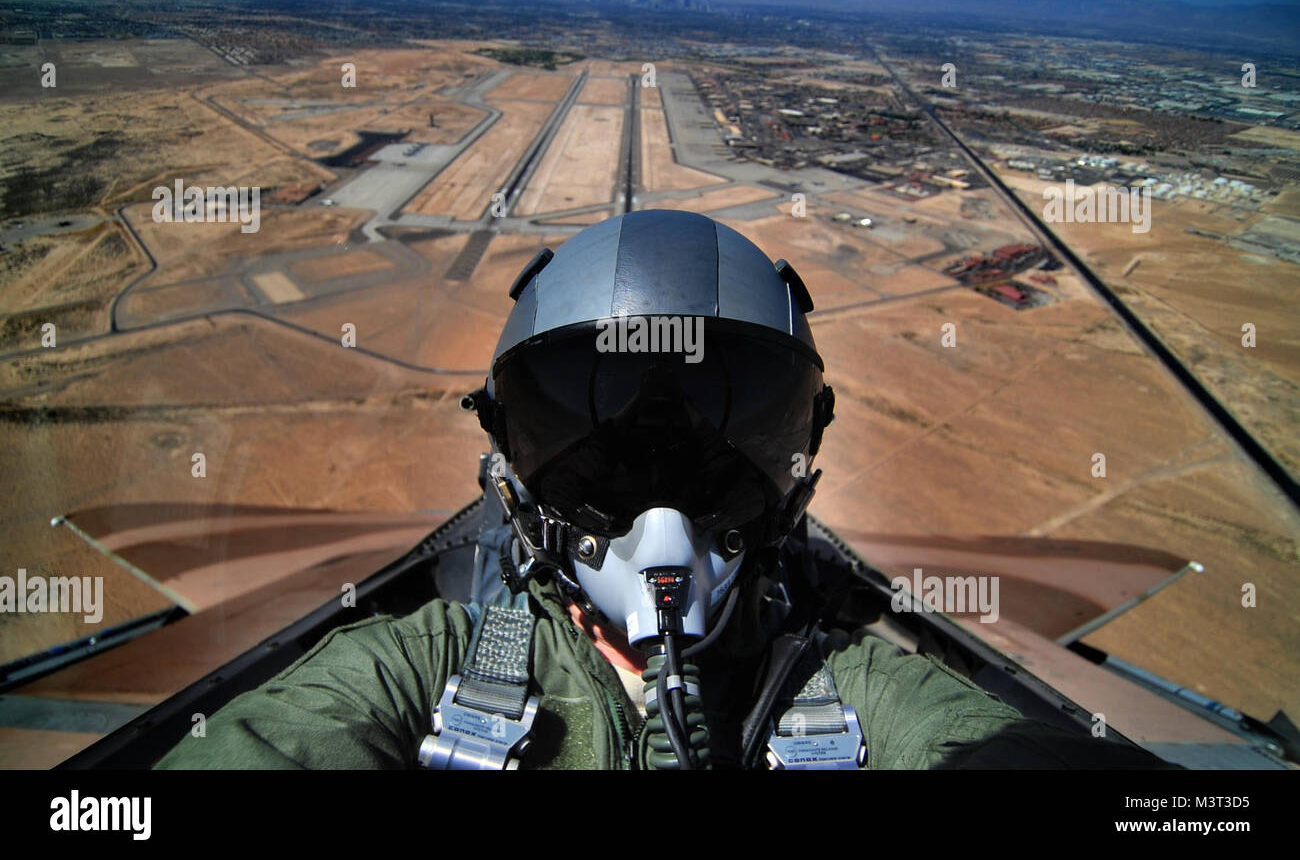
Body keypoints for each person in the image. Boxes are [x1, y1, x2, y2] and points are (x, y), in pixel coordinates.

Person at [157, 209, 1170, 770]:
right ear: (518, 479)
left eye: (710, 459)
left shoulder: (849, 692)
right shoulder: (422, 669)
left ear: (788, 480)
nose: (663, 517)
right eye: (608, 461)